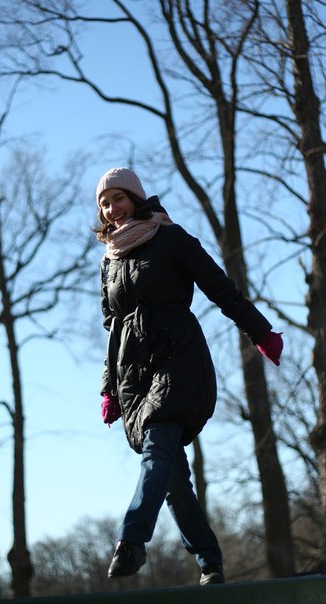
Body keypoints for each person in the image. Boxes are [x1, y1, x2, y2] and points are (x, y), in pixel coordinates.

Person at [94, 167, 283, 586]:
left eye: (118, 198)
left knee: (157, 446)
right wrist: (109, 389)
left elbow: (220, 287)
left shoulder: (169, 237)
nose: (111, 208)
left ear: (136, 198)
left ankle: (131, 540)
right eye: (104, 203)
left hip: (177, 356)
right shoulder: (109, 260)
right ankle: (210, 562)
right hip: (134, 374)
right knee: (174, 479)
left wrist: (261, 332)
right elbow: (112, 327)